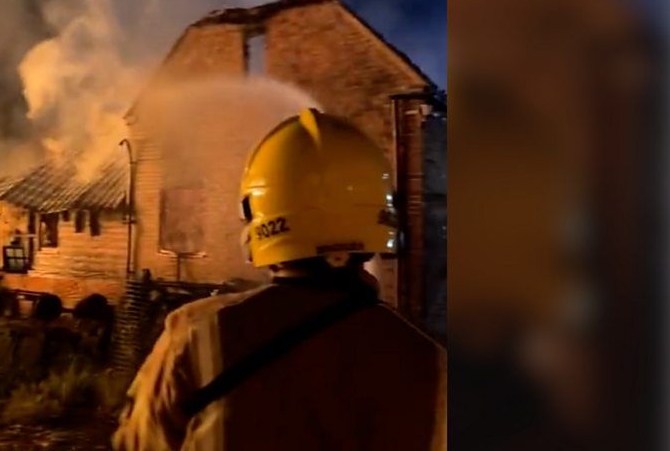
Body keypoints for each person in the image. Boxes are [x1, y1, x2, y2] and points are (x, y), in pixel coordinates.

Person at [112, 108, 446, 451]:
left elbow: (138, 442)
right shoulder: (427, 361)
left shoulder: (198, 334)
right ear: (381, 215)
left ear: (258, 218)